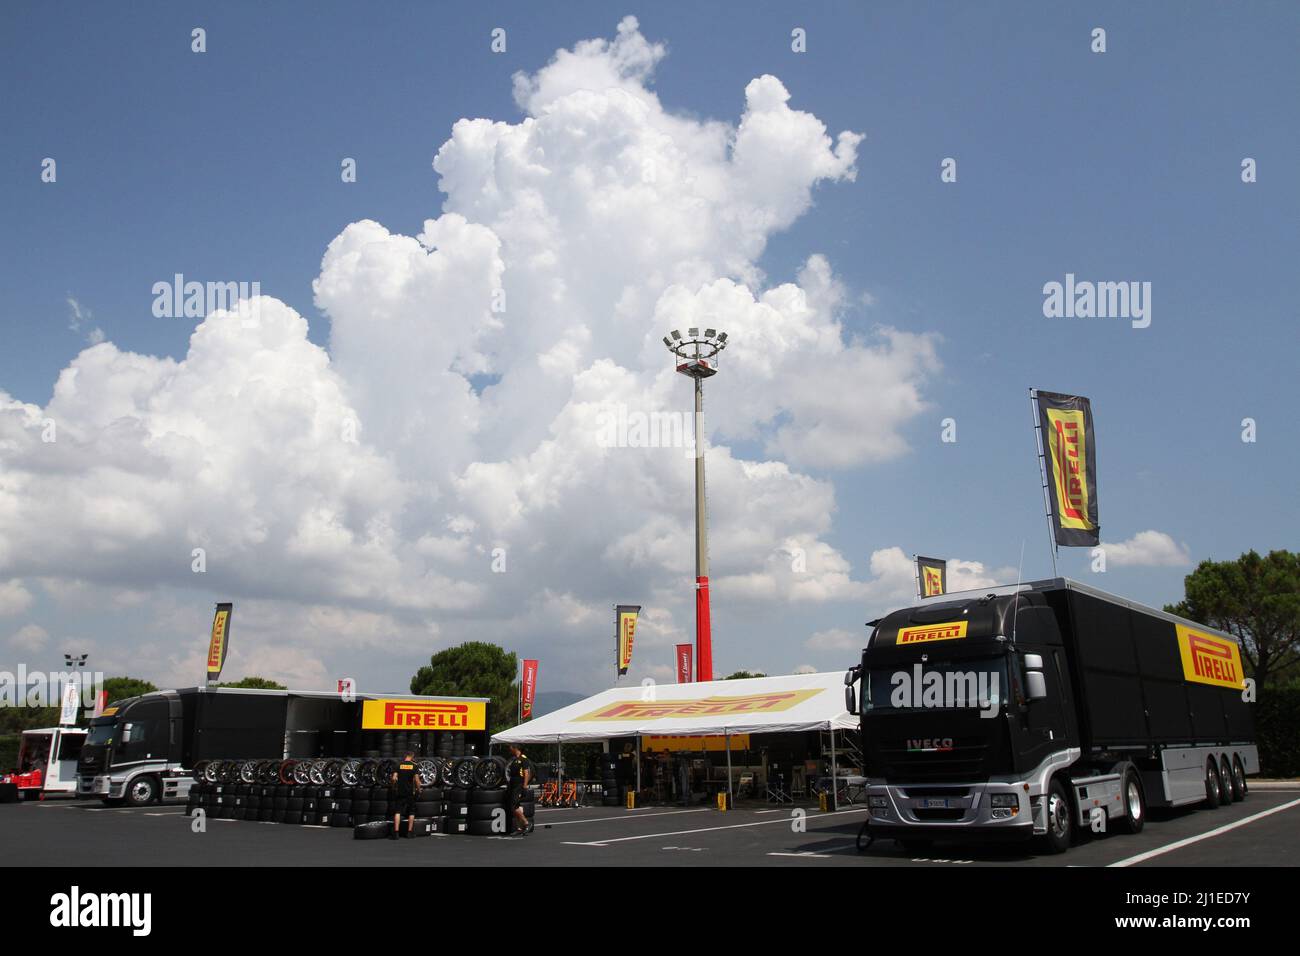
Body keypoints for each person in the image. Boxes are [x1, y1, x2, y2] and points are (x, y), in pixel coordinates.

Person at [390, 751, 421, 840]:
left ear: (405, 756)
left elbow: (394, 778)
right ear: (411, 756)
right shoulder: (414, 766)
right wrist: (419, 790)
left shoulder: (398, 765)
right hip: (410, 793)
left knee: (398, 811)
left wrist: (393, 787)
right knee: (411, 812)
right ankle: (409, 832)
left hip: (400, 792)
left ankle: (396, 833)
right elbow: (417, 780)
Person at [506, 744, 533, 836]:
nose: (509, 749)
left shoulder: (523, 759)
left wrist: (525, 786)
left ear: (515, 748)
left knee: (514, 806)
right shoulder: (514, 760)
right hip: (513, 785)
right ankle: (520, 828)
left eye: (510, 747)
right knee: (515, 806)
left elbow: (527, 773)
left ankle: (526, 823)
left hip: (519, 785)